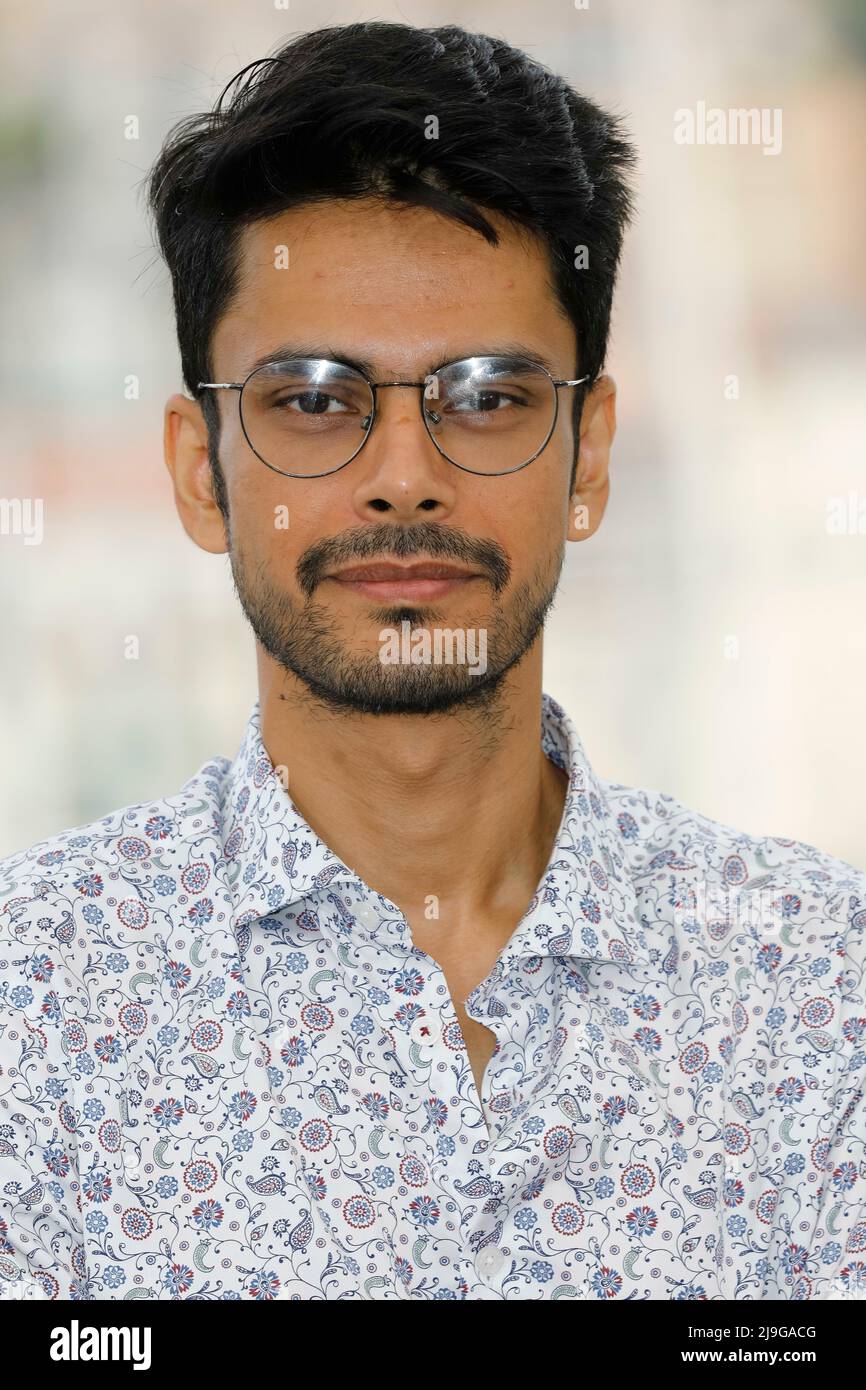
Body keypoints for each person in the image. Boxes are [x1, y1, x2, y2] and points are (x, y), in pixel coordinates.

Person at [1, 20, 863, 1303]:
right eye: (311, 400)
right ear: (198, 471)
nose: (404, 478)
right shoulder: (34, 1011)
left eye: (483, 398)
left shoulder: (819, 990)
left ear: (589, 456)